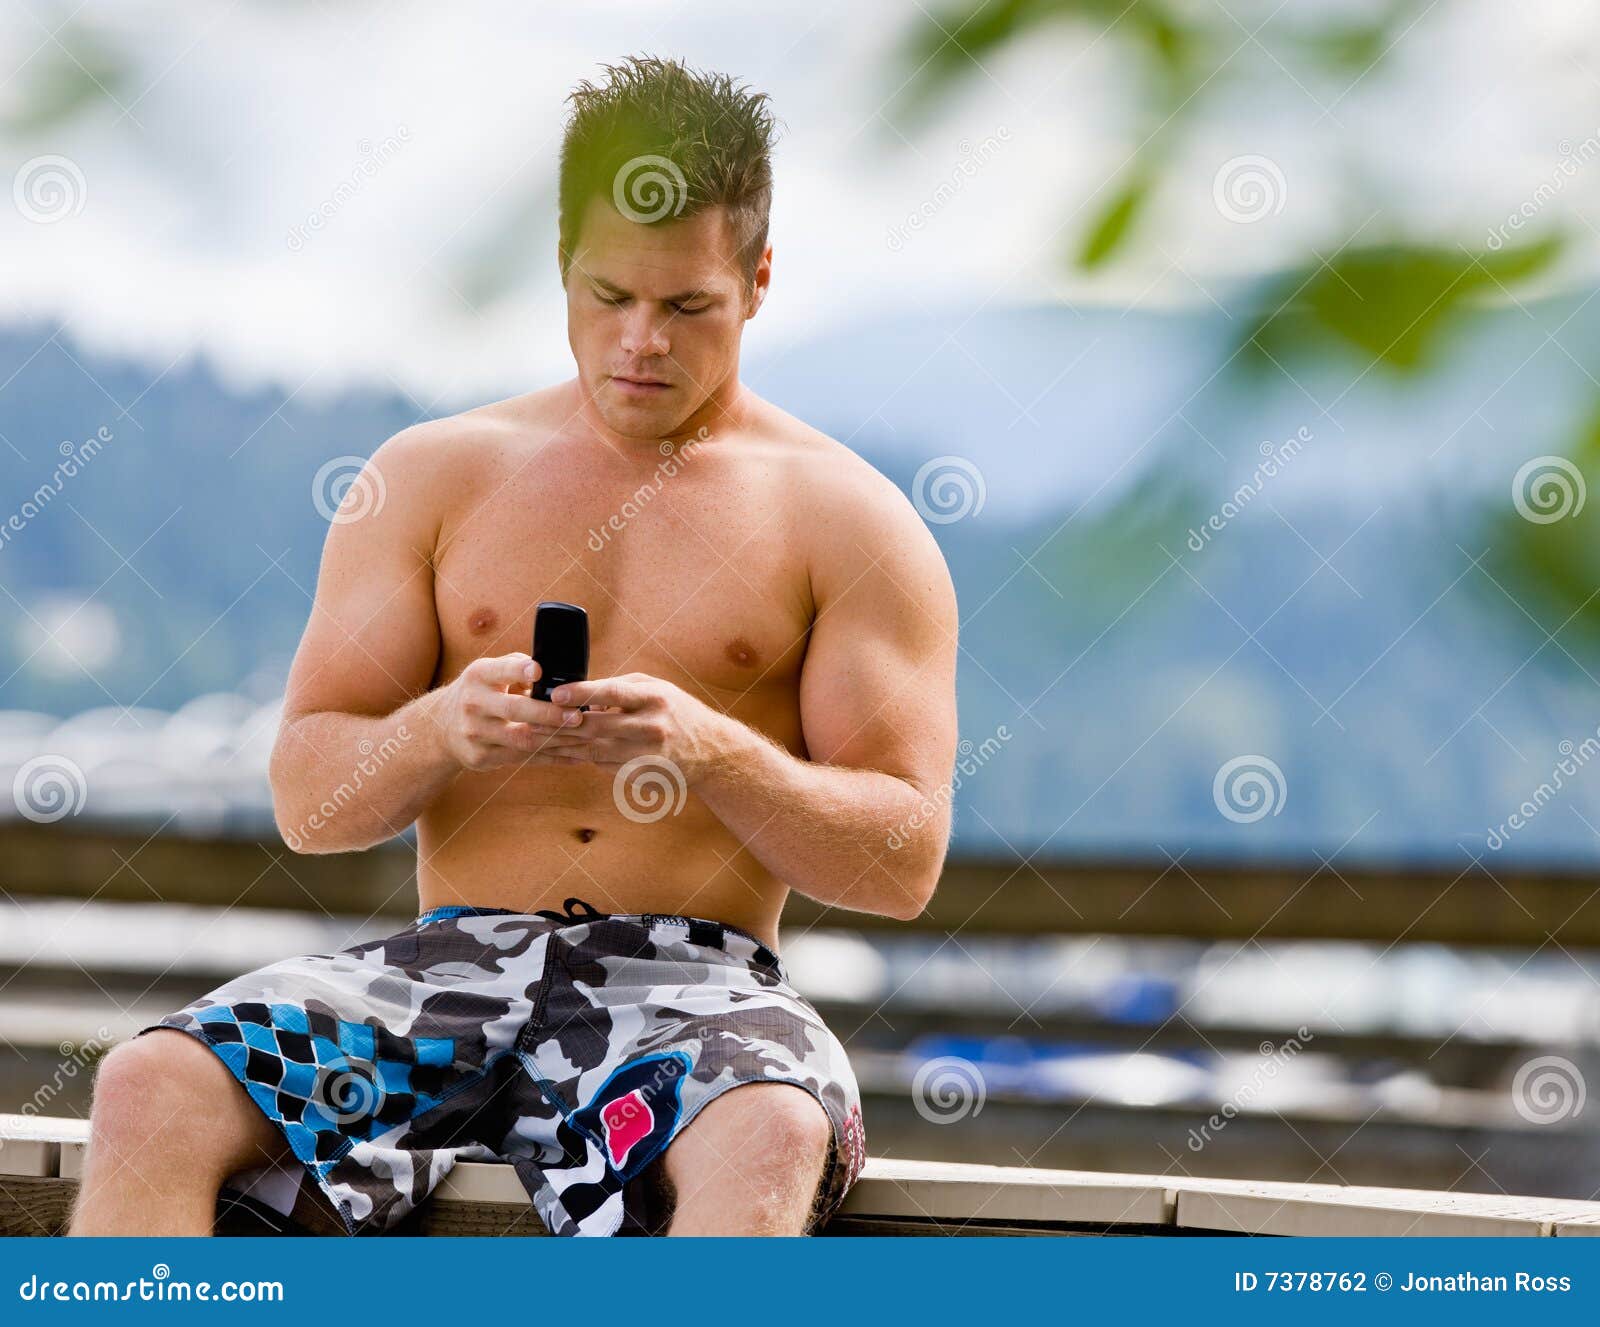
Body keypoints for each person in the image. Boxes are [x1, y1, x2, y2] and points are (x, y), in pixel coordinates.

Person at [69, 53, 959, 1238]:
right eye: (607, 295)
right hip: (443, 969)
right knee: (152, 1082)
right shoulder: (430, 477)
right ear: (559, 267)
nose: (639, 340)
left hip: (694, 988)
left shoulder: (849, 521)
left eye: (686, 305)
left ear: (756, 280)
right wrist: (441, 728)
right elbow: (308, 804)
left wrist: (711, 748)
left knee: (771, 1130)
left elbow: (901, 862)